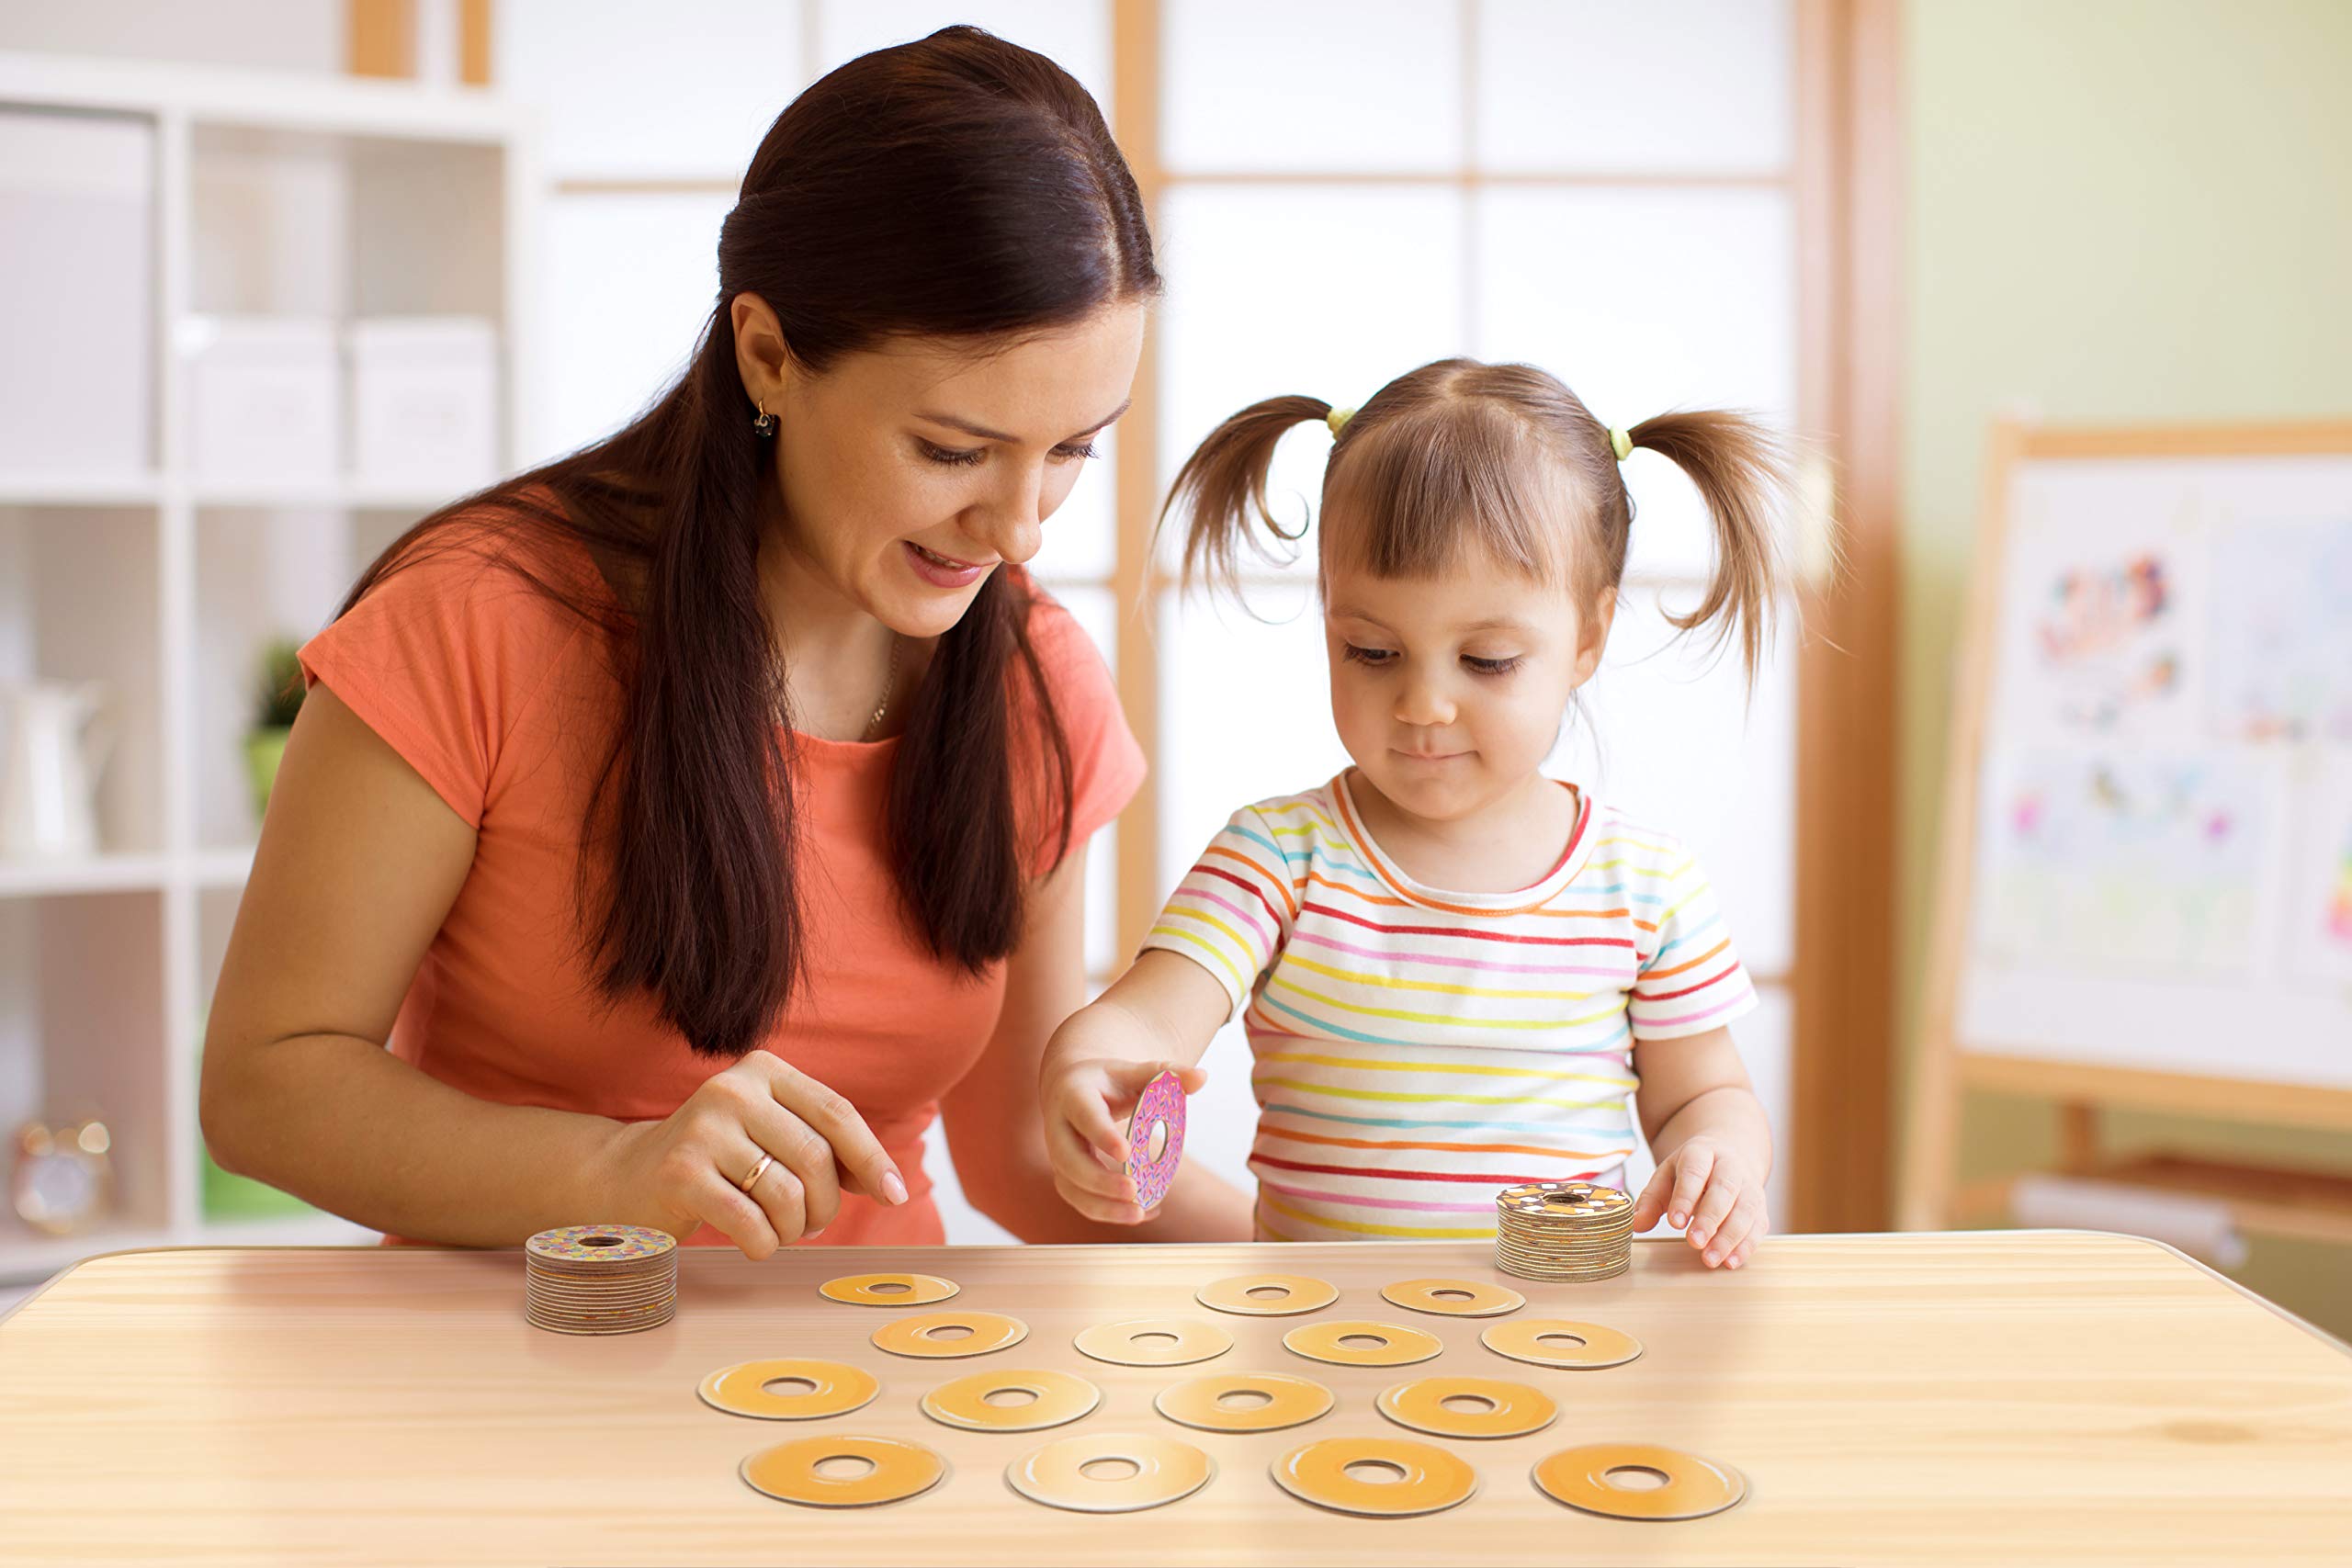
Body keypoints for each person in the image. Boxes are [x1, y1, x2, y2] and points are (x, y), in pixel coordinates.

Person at [199, 27, 1252, 1256]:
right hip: (530, 1374)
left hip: (892, 1397)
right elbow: (266, 1085)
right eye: (954, 450)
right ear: (768, 354)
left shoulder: (1035, 681)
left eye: (1072, 449)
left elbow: (1023, 1158)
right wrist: (615, 1166)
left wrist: (1349, 1274)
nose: (1018, 530)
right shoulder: (477, 622)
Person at [1039, 358, 1782, 1267]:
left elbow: (1701, 1097)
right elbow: (1145, 1021)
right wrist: (1086, 1069)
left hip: (1564, 1340)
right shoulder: (1279, 859)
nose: (1423, 704)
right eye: (1373, 650)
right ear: (1325, 621)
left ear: (1587, 636)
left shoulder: (1647, 885)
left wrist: (1719, 1155)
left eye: (1488, 661)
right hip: (1321, 1348)